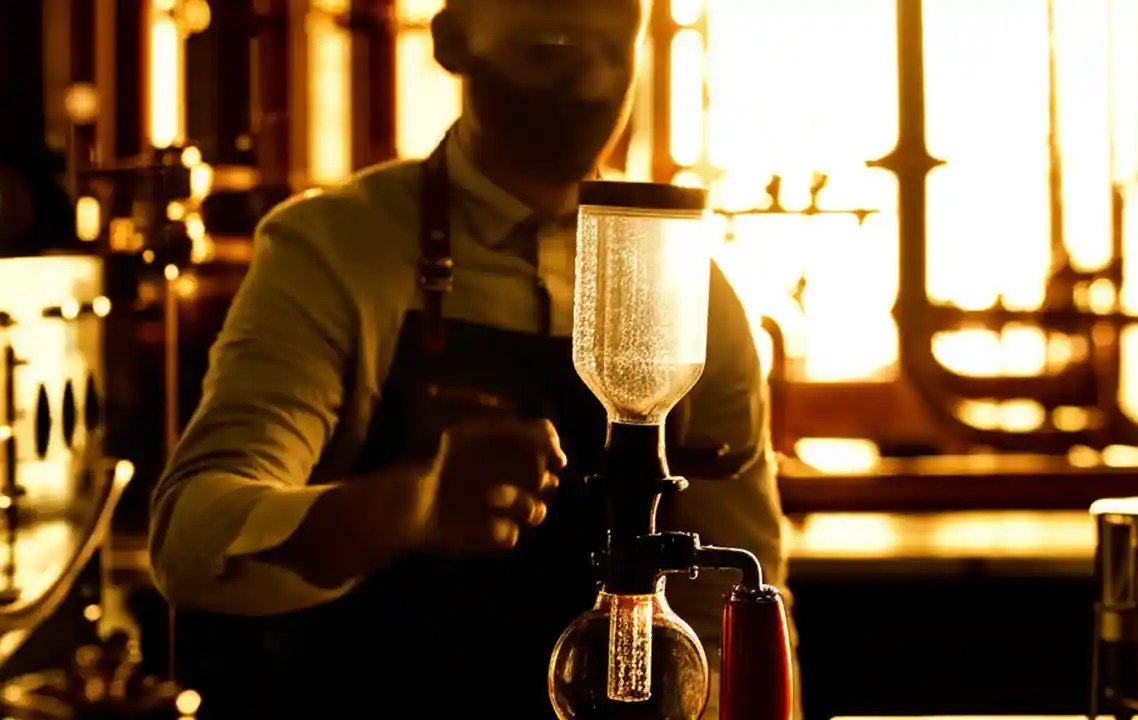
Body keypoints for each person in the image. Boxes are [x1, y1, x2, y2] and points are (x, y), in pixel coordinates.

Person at [149, 0, 797, 716]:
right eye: (547, 42)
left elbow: (732, 595)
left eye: (611, 45)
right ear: (451, 39)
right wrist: (409, 507)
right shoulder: (334, 249)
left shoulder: (692, 288)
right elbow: (193, 537)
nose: (584, 69)